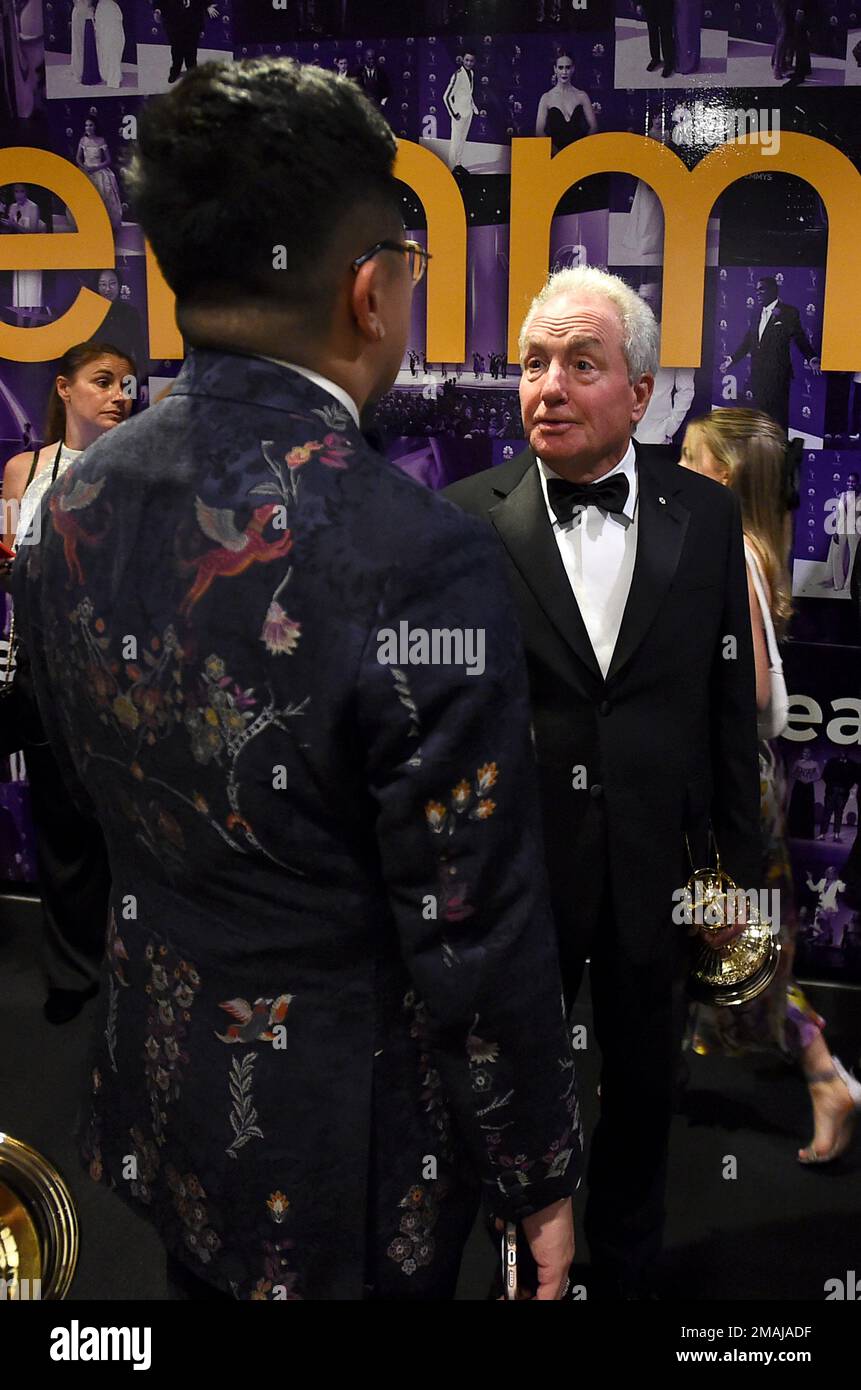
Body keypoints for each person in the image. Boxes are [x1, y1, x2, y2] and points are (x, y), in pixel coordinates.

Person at [12, 57, 580, 1302]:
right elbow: (472, 928)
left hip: (166, 1105)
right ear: (372, 290)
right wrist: (537, 1172)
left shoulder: (69, 505)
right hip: (352, 1154)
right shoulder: (421, 557)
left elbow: (79, 781)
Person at [444, 265, 762, 1299]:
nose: (547, 385)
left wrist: (741, 882)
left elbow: (726, 717)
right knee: (498, 1101)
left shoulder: (706, 520)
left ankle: (622, 1275)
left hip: (656, 880)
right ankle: (513, 1275)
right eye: (533, 363)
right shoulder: (461, 521)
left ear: (641, 392)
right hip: (514, 886)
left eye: (581, 364)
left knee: (639, 1100)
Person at [679, 408, 861, 1164]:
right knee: (704, 941)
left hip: (725, 786)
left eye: (690, 457)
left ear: (723, 476)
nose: (675, 467)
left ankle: (824, 1073)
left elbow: (751, 690)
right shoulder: (741, 545)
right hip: (724, 780)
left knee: (734, 950)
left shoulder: (730, 551)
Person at [1, 341, 133, 1024]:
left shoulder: (140, 470)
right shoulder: (25, 468)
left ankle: (129, 966)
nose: (119, 394)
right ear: (63, 389)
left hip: (121, 677)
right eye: (102, 381)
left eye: (126, 384)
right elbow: (9, 566)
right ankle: (71, 970)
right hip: (42, 677)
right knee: (60, 827)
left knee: (129, 830)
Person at [722, 276, 820, 433]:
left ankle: (780, 453)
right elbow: (749, 341)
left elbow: (799, 337)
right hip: (758, 377)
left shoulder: (789, 312)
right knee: (760, 421)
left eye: (762, 289)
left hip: (778, 378)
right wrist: (732, 359)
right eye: (756, 289)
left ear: (773, 290)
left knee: (778, 421)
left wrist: (811, 357)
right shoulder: (755, 314)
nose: (757, 293)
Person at [633, 281, 694, 446]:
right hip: (621, 437)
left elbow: (686, 389)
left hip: (655, 436)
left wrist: (669, 429)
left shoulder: (676, 337)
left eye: (649, 299)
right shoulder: (626, 333)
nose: (642, 305)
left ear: (661, 301)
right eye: (640, 299)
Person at [535, 53, 597, 154]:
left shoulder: (582, 96)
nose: (564, 72)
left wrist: (581, 148)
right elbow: (539, 132)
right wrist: (558, 153)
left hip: (579, 153)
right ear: (555, 69)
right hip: (555, 155)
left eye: (567, 67)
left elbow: (594, 127)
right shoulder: (546, 98)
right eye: (560, 67)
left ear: (573, 69)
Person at [2, 183, 44, 326]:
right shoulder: (13, 207)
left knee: (34, 292)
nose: (18, 194)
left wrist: (15, 226)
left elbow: (32, 231)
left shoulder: (33, 207)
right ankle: (20, 326)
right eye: (16, 191)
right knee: (19, 293)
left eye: (21, 191)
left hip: (34, 252)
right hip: (18, 253)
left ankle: (32, 325)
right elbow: (10, 229)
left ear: (26, 192)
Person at [152, 0, 219, 84]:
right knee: (176, 50)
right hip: (174, 22)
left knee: (191, 51)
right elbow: (158, 3)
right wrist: (157, 9)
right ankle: (175, 71)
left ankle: (192, 72)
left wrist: (208, 5)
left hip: (193, 21)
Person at [76, 117, 123, 229]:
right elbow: (78, 157)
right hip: (86, 170)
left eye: (90, 125)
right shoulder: (82, 140)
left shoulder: (101, 140)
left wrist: (96, 168)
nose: (88, 127)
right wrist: (84, 167)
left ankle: (104, 224)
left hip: (99, 170)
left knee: (103, 196)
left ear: (95, 126)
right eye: (86, 125)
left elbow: (108, 160)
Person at [821, 473, 860, 594]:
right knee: (837, 555)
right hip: (841, 529)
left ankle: (849, 584)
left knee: (854, 558)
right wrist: (835, 531)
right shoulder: (841, 496)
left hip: (855, 531)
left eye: (853, 482)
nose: (850, 484)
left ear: (857, 483)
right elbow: (837, 516)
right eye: (848, 481)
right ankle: (839, 583)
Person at [444, 51, 477, 173]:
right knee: (455, 142)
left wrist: (473, 107)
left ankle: (458, 164)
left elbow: (468, 93)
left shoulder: (472, 73)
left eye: (471, 60)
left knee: (462, 141)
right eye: (467, 60)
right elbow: (446, 97)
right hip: (458, 114)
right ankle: (450, 169)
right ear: (462, 60)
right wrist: (454, 113)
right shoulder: (457, 75)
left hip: (468, 113)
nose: (469, 63)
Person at [818, 750, 859, 842]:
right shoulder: (832, 761)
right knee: (827, 812)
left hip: (843, 793)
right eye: (841, 751)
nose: (843, 752)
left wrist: (846, 787)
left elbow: (854, 778)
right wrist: (831, 785)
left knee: (839, 813)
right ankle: (822, 834)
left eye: (845, 751)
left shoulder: (852, 764)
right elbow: (825, 775)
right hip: (831, 791)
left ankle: (836, 835)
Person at [93, 0, 126, 88]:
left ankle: (110, 74)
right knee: (108, 45)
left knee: (112, 44)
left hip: (109, 11)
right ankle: (110, 76)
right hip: (106, 12)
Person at [643, 0, 676, 78]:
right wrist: (638, 3)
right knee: (652, 32)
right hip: (649, 5)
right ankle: (655, 59)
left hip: (665, 5)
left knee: (666, 34)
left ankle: (668, 63)